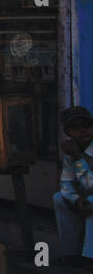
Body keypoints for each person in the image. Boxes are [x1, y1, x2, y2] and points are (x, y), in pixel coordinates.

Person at [55, 106, 93, 264]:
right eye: (76, 128)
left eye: (87, 126)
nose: (83, 131)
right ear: (68, 133)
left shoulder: (75, 152)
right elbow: (66, 184)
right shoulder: (72, 150)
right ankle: (71, 253)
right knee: (58, 198)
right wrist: (76, 200)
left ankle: (89, 257)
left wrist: (78, 158)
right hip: (86, 193)